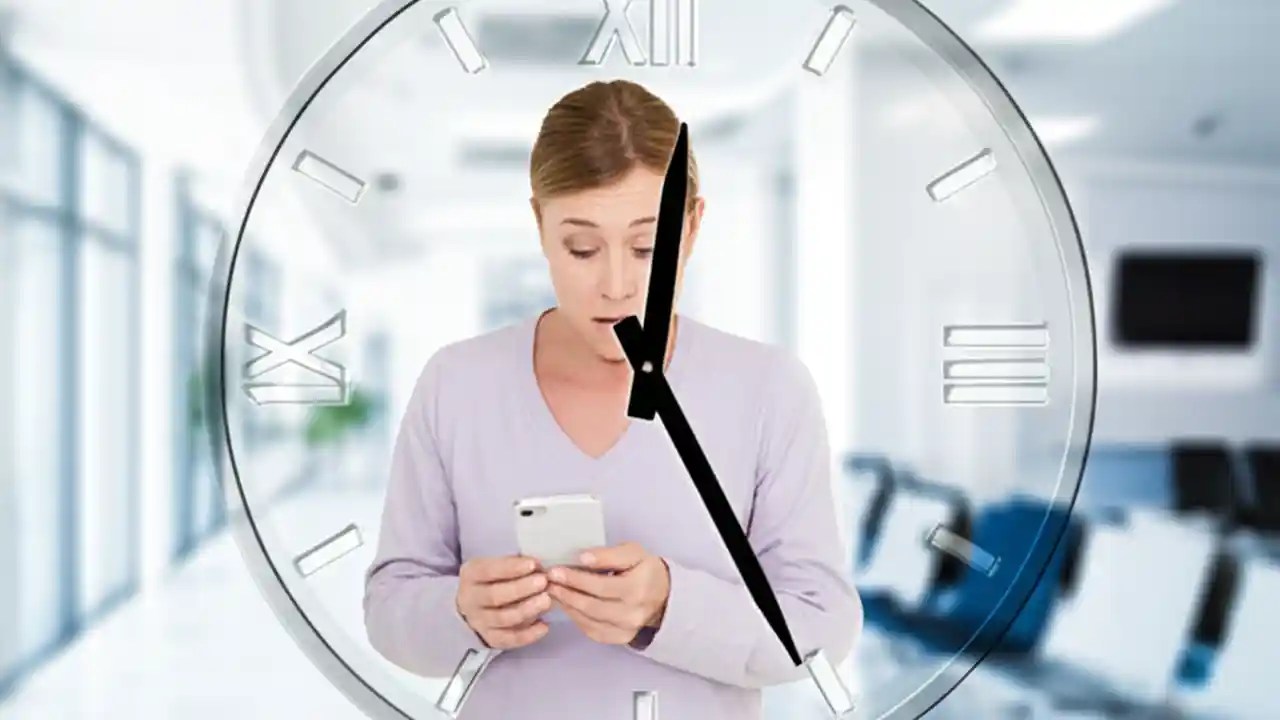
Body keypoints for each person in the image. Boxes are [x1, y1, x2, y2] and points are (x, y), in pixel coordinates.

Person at [364, 79, 862, 719]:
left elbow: (823, 628)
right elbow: (389, 609)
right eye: (582, 248)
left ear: (692, 228)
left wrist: (670, 606)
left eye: (646, 247)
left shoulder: (768, 391)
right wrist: (459, 611)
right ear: (540, 226)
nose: (618, 285)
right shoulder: (456, 385)